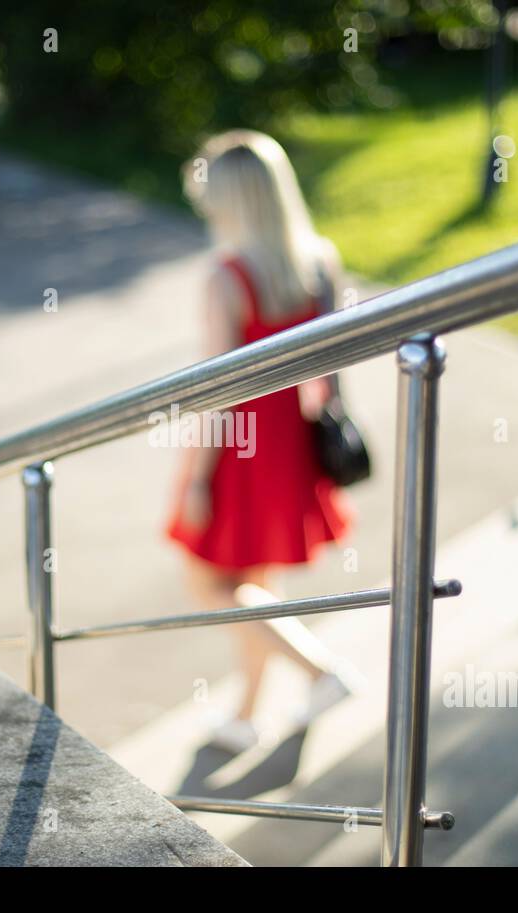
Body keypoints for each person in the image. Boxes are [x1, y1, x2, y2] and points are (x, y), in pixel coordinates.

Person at [166, 130, 359, 754]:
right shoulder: (317, 261)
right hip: (288, 442)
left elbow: (215, 392)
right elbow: (330, 372)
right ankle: (247, 716)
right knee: (257, 588)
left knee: (212, 585)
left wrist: (196, 480)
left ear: (229, 199)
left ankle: (320, 673)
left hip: (239, 446)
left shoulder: (228, 276)